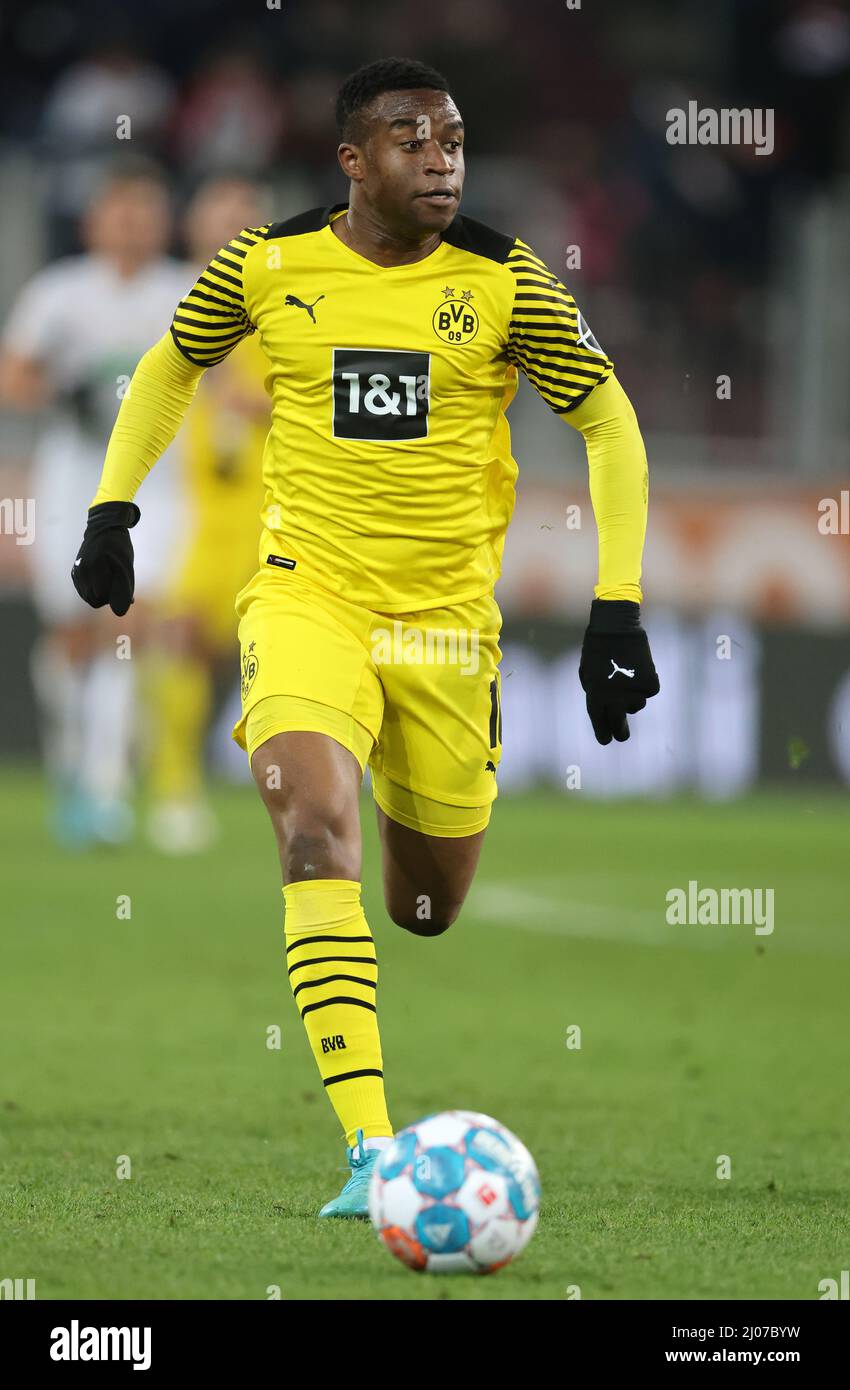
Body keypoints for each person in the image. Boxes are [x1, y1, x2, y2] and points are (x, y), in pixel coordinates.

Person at [71, 58, 659, 1215]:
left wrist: (617, 603)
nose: (440, 159)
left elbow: (607, 419)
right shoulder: (264, 263)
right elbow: (167, 368)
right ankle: (371, 1149)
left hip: (446, 631)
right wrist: (111, 503)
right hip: (306, 596)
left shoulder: (506, 281)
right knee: (310, 830)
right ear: (352, 160)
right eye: (411, 140)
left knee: (425, 907)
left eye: (451, 141)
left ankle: (403, 794)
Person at [0, 159, 189, 845]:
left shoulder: (187, 290)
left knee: (129, 624)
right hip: (71, 478)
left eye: (145, 213)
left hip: (155, 484)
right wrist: (62, 390)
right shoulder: (60, 293)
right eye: (120, 213)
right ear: (95, 222)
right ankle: (71, 759)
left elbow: (224, 377)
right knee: (72, 636)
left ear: (163, 222)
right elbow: (15, 376)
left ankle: (106, 786)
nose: (132, 226)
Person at [146, 174, 270, 853]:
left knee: (269, 653)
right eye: (219, 219)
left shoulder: (290, 305)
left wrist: (265, 406)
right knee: (184, 637)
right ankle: (173, 787)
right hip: (192, 506)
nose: (232, 231)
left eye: (245, 220)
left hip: (276, 504)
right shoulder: (172, 301)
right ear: (193, 229)